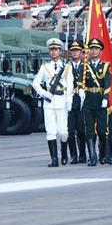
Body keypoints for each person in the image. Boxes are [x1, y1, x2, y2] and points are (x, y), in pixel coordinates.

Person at [31, 37, 73, 167]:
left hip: (62, 101)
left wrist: (69, 101)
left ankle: (64, 153)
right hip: (49, 102)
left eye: (56, 49)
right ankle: (54, 159)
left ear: (60, 51)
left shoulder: (66, 67)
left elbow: (70, 86)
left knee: (63, 132)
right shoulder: (45, 67)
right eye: (51, 50)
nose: (54, 52)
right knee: (51, 131)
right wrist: (44, 93)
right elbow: (35, 83)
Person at [82, 38, 111, 166]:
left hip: (100, 100)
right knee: (89, 130)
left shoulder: (105, 66)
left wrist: (105, 99)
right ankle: (92, 156)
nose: (94, 51)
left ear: (100, 51)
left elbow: (108, 84)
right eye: (91, 49)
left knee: (102, 130)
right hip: (88, 100)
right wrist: (80, 90)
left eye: (96, 49)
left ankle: (103, 155)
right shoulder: (84, 66)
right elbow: (79, 81)